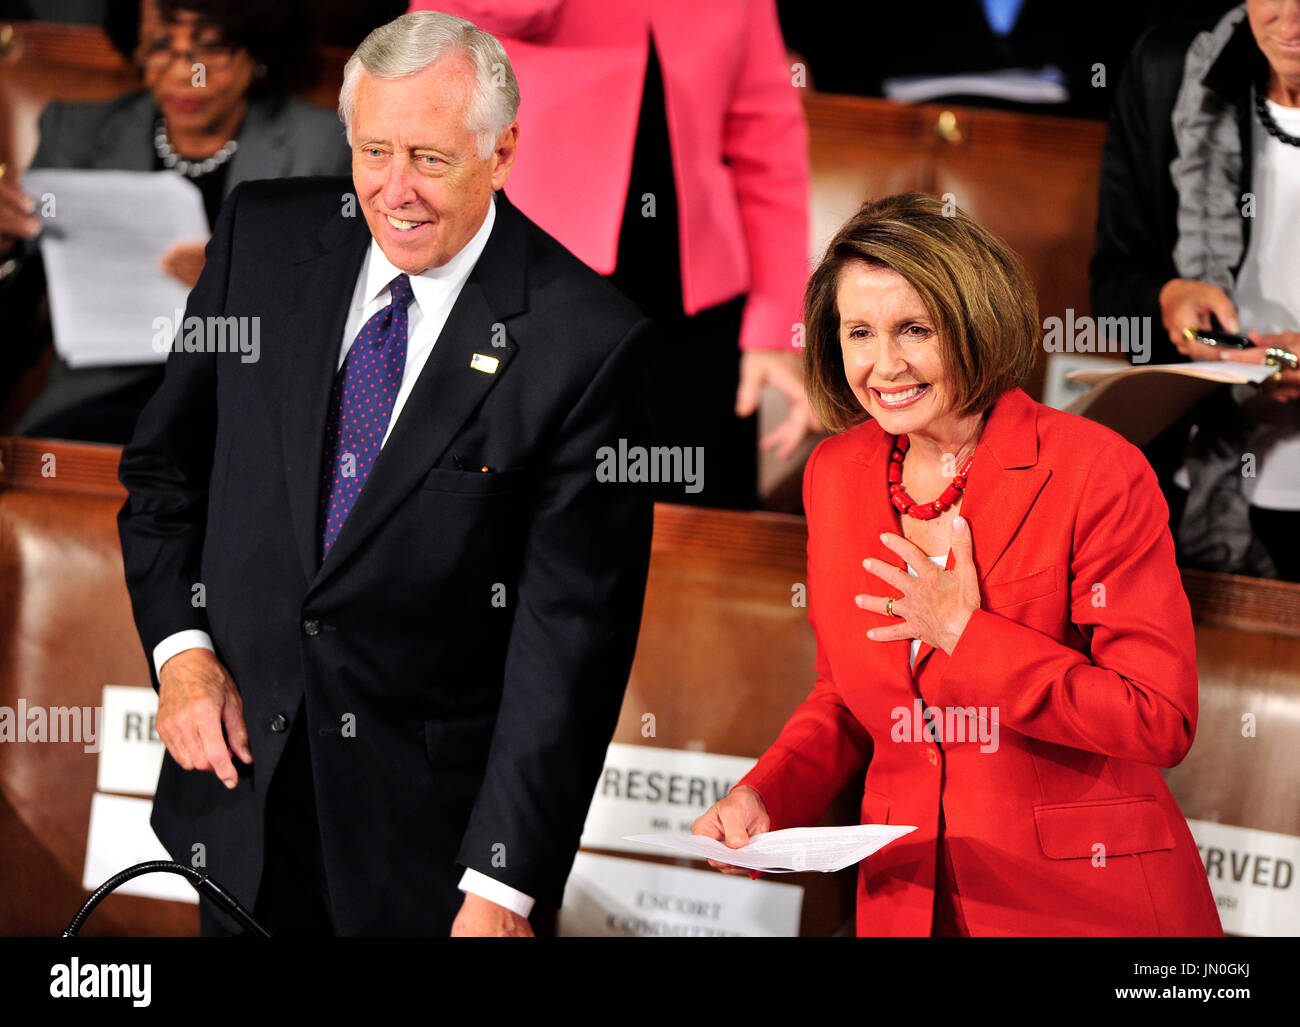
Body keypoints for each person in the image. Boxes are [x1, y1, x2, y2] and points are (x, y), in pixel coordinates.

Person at [116, 11, 654, 936]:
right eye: (374, 151)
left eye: (431, 160)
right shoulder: (261, 242)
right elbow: (164, 473)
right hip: (241, 809)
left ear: (504, 151)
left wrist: (502, 883)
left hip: (424, 860)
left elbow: (568, 645)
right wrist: (183, 653)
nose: (394, 191)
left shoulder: (586, 343)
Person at [693, 193, 1222, 937]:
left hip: (1085, 904)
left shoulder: (1094, 470)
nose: (885, 365)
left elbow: (1157, 717)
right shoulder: (836, 474)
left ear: (974, 322)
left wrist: (968, 636)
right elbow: (845, 695)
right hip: (907, 900)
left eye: (915, 329)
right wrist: (766, 795)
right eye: (859, 333)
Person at [413, 0, 818, 510]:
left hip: (695, 318)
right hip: (521, 298)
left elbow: (767, 136)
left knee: (695, 542)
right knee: (516, 534)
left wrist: (775, 323)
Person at [0, 0, 351, 443]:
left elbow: (339, 306)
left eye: (210, 48)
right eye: (161, 47)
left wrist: (241, 291)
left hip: (240, 397)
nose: (186, 71)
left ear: (256, 51)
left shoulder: (323, 147)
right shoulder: (77, 134)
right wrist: (4, 252)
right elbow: (21, 315)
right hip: (99, 396)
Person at [1090, 0, 1300, 580]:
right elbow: (1113, 287)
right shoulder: (1169, 71)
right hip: (1188, 492)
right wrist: (1166, 301)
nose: (1290, 18)